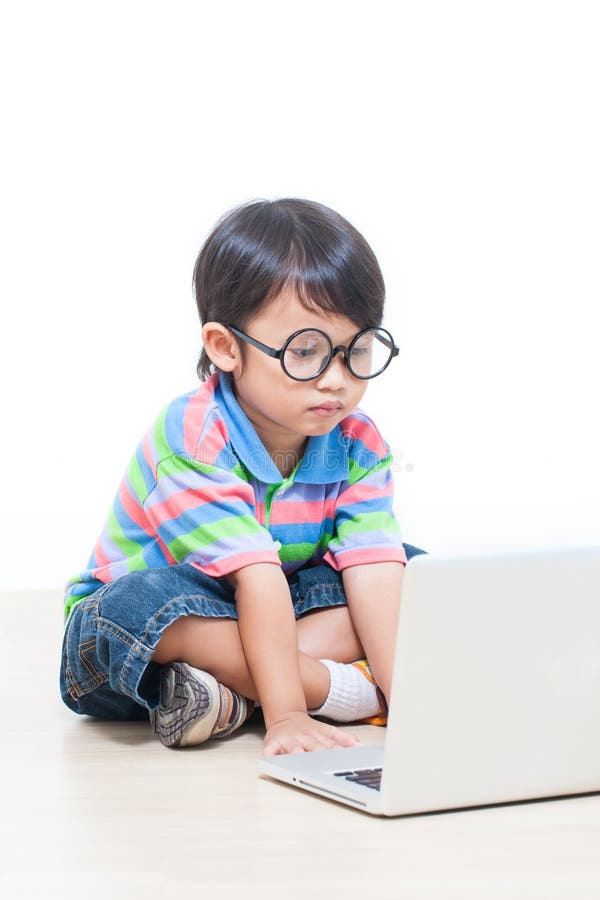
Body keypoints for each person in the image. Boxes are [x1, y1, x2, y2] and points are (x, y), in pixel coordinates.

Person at [60, 198, 426, 756]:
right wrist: (289, 717)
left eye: (357, 349)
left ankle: (222, 696)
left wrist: (415, 711)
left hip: (268, 615)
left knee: (408, 572)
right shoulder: (193, 438)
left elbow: (373, 572)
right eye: (306, 352)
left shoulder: (357, 442)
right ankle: (336, 691)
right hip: (139, 634)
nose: (337, 379)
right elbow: (255, 578)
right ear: (226, 348)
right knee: (135, 605)